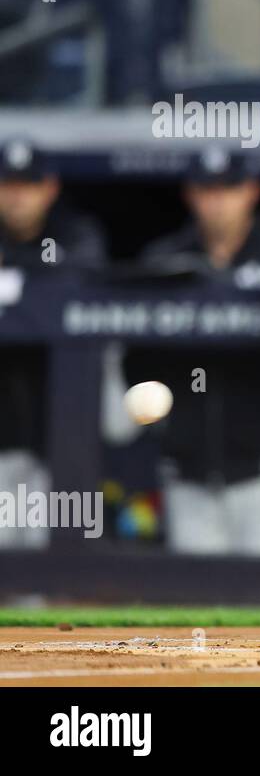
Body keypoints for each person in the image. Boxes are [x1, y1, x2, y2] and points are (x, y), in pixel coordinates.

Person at [123, 149, 260, 556]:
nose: (218, 201)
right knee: (194, 595)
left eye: (229, 189)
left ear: (251, 191)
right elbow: (136, 357)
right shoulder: (164, 260)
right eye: (208, 190)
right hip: (185, 463)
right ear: (191, 194)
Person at [0, 138, 107, 549]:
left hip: (61, 441)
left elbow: (80, 275)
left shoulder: (74, 234)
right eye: (9, 184)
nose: (17, 196)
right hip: (3, 438)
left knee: (53, 570)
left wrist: (16, 280)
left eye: (27, 184)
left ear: (49, 188)